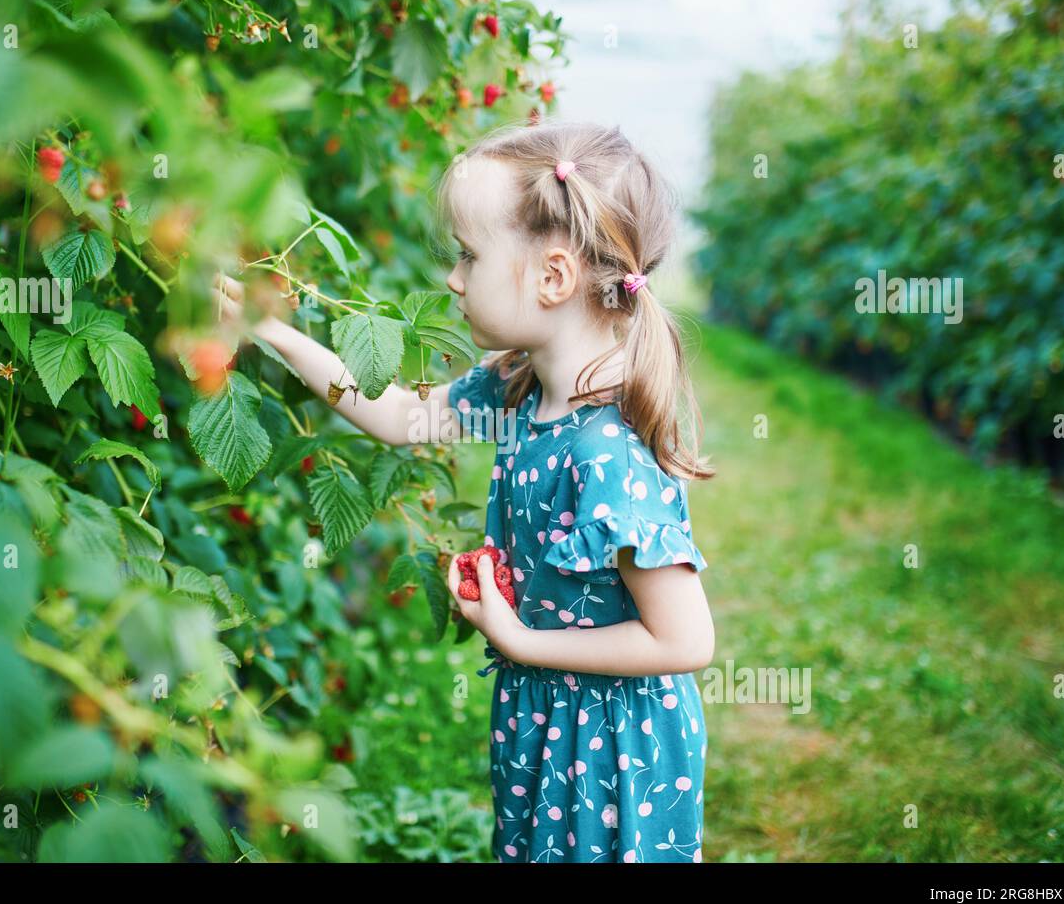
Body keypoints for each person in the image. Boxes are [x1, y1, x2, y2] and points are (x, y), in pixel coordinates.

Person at [212, 119, 716, 863]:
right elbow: (400, 415)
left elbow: (685, 640)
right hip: (547, 709)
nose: (452, 278)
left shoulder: (606, 453)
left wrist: (521, 640)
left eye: (468, 256)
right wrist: (276, 333)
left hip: (615, 747)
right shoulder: (517, 383)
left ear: (552, 278)